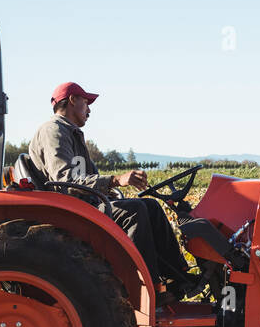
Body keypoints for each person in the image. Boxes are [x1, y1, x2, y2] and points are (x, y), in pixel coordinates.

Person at [28, 82, 199, 296]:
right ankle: (144, 290)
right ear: (72, 100)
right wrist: (116, 180)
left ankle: (179, 277)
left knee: (151, 206)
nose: (89, 110)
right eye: (86, 103)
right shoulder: (54, 130)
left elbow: (87, 177)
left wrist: (113, 189)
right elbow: (65, 179)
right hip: (72, 209)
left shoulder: (70, 132)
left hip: (83, 203)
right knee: (134, 212)